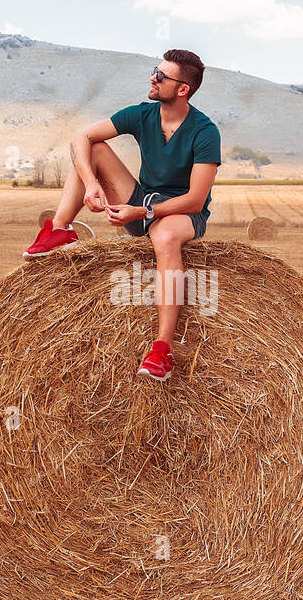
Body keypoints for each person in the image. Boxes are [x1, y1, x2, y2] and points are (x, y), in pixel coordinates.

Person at [23, 49, 221, 383]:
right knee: (91, 150)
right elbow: (80, 137)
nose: (152, 78)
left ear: (182, 89)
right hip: (141, 199)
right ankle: (60, 229)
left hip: (181, 211)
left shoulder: (204, 131)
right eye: (154, 71)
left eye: (160, 76)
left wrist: (143, 211)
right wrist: (90, 185)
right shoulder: (142, 115)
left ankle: (162, 349)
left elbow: (195, 198)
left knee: (166, 236)